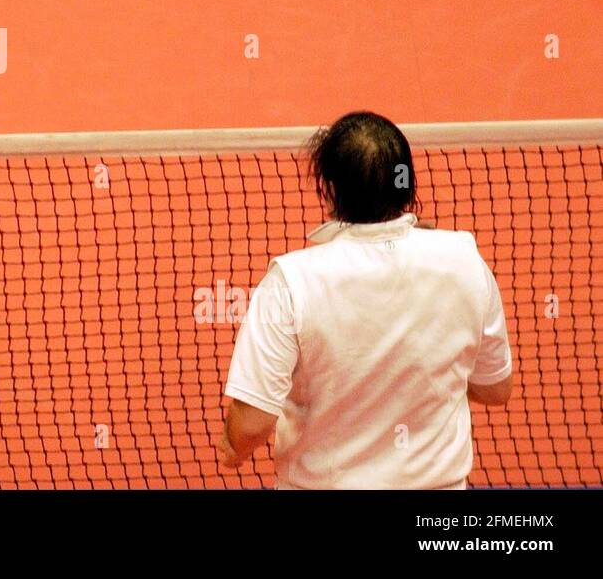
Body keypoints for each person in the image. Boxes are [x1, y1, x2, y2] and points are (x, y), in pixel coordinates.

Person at [218, 111, 514, 489]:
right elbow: (495, 388)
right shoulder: (464, 260)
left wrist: (234, 446)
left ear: (330, 188)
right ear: (405, 183)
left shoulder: (292, 282)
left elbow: (251, 423)